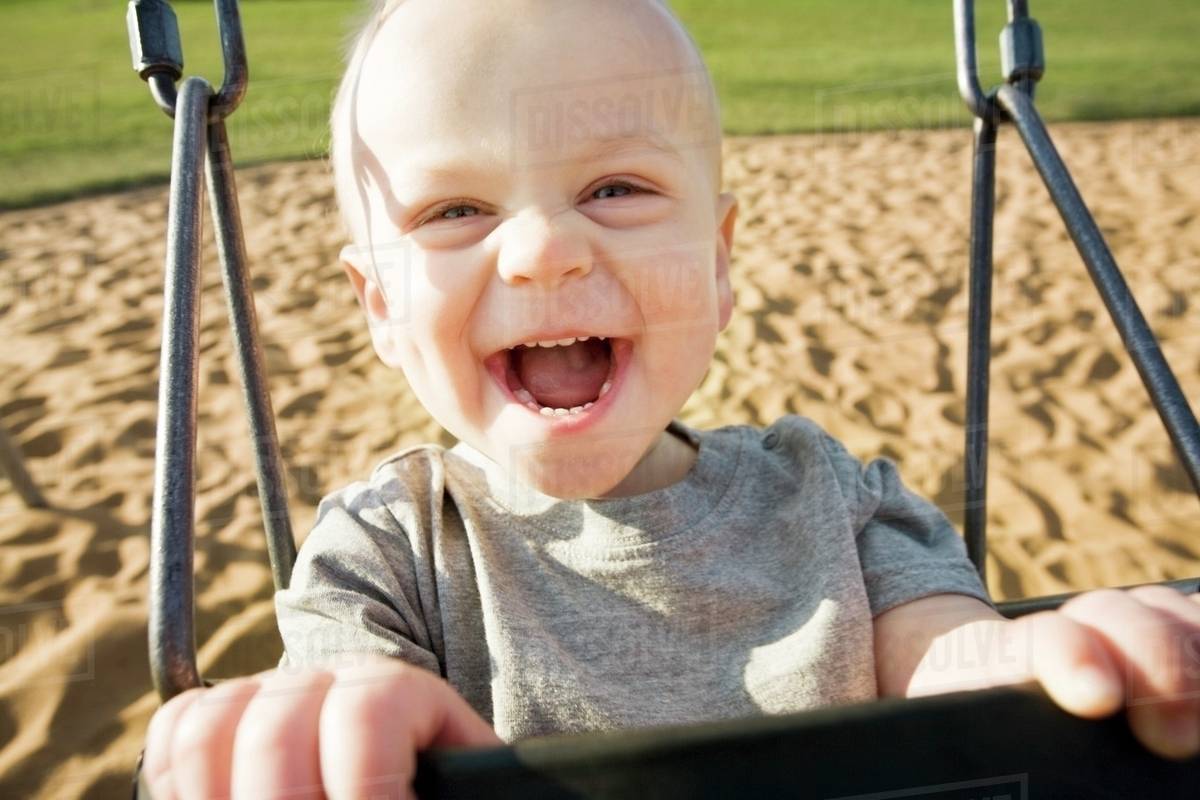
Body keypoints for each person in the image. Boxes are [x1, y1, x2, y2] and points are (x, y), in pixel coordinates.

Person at [142, 0, 1200, 797]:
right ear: (379, 306)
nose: (544, 249)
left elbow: (945, 649)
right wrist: (350, 718)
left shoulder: (827, 493)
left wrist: (1027, 662)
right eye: (454, 210)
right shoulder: (386, 552)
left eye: (617, 189)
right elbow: (345, 690)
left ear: (720, 261)